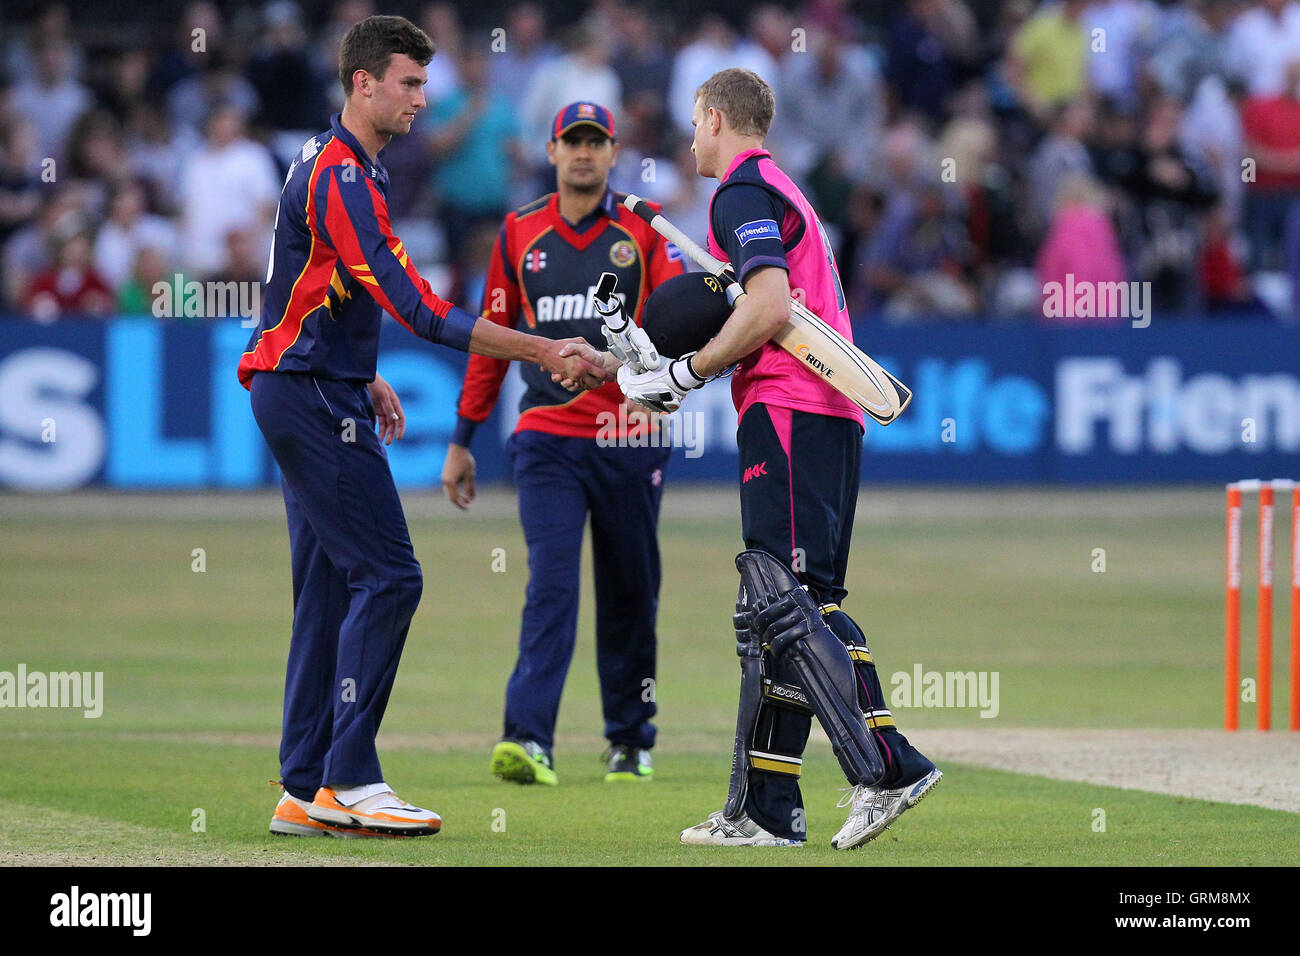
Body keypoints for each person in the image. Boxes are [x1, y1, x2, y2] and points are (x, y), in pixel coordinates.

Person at [237, 15, 603, 840]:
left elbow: (308, 284)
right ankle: (350, 778)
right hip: (309, 401)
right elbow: (419, 308)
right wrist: (542, 346)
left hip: (311, 387)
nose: (422, 98)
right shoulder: (344, 176)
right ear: (363, 83)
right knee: (392, 578)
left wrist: (361, 371)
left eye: (424, 83)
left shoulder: (338, 162)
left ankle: (303, 787)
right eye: (409, 82)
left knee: (330, 589)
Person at [561, 68, 941, 849]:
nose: (690, 137)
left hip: (793, 411)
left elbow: (767, 307)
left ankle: (888, 766)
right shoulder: (777, 187)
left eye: (694, 123)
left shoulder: (739, 192)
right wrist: (644, 361)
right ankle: (766, 807)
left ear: (712, 117)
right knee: (787, 607)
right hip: (822, 413)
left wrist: (688, 373)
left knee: (784, 604)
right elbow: (740, 305)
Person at [440, 102, 685, 786]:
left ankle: (630, 741)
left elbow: (673, 318)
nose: (583, 153)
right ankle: (527, 739)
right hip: (546, 436)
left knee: (631, 590)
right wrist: (463, 439)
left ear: (613, 153)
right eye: (571, 142)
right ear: (550, 152)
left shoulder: (643, 227)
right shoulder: (519, 232)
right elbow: (490, 343)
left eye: (596, 142)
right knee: (551, 583)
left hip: (630, 434)